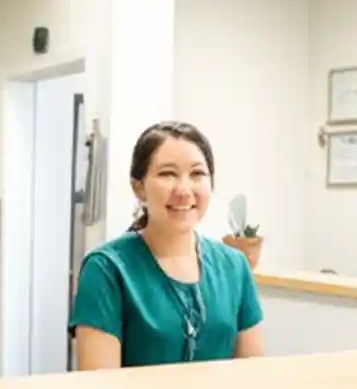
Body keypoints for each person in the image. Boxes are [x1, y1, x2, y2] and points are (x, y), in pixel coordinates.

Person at [69, 121, 265, 369]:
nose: (184, 190)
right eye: (167, 174)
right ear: (139, 187)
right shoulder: (107, 269)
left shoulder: (234, 267)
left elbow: (252, 377)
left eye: (197, 174)